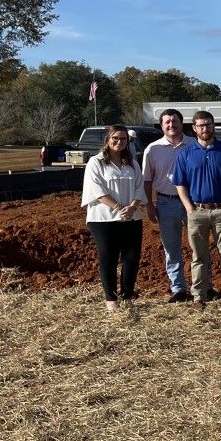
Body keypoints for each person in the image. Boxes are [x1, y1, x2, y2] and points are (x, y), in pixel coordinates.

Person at [172, 110, 221, 305]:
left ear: (213, 126)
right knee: (198, 256)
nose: (205, 128)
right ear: (194, 129)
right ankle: (198, 296)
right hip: (196, 212)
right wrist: (189, 208)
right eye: (201, 125)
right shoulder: (185, 154)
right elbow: (180, 184)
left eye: (208, 125)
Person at [82, 125, 147, 312]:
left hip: (132, 218)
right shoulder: (96, 162)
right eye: (115, 138)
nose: (119, 142)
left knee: (131, 258)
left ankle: (127, 297)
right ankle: (111, 299)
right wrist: (119, 208)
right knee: (108, 258)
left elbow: (139, 187)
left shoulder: (132, 163)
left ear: (128, 141)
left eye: (123, 139)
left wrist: (133, 207)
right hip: (103, 219)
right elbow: (97, 191)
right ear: (108, 140)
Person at [142, 108, 193, 303]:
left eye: (175, 121)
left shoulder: (194, 145)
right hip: (165, 203)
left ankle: (203, 286)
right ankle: (178, 288)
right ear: (162, 126)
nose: (171, 125)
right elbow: (147, 180)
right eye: (167, 122)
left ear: (182, 123)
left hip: (192, 203)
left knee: (199, 246)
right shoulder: (153, 149)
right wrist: (149, 205)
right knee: (172, 248)